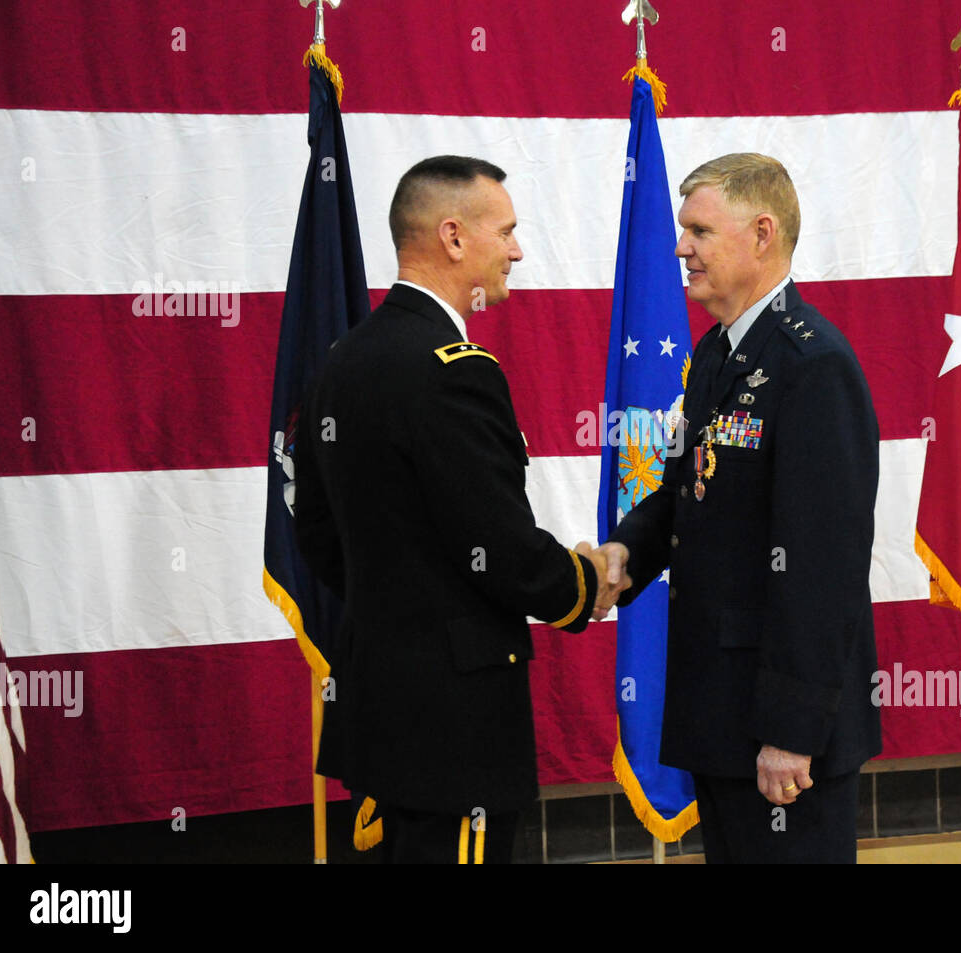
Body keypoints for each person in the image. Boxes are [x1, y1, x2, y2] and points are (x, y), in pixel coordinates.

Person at [293, 155, 628, 864]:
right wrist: (584, 584)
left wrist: (398, 613)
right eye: (504, 231)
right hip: (454, 728)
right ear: (452, 236)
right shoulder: (454, 371)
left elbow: (318, 534)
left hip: (379, 708)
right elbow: (500, 545)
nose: (516, 249)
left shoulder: (341, 361)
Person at [595, 153, 881, 863]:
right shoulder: (719, 355)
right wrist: (623, 555)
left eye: (698, 229)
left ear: (761, 233)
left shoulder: (812, 365)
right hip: (722, 713)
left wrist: (789, 730)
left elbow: (822, 567)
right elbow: (680, 492)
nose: (680, 246)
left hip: (779, 729)